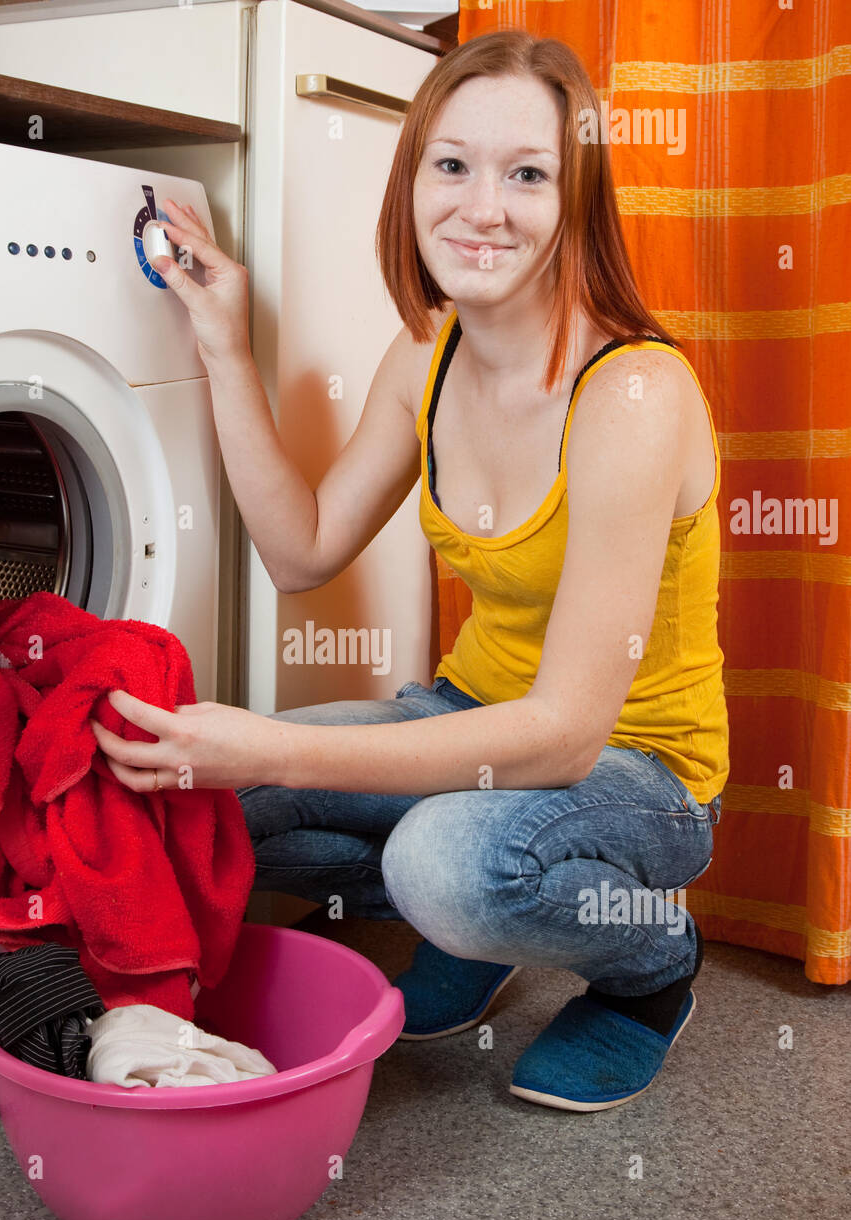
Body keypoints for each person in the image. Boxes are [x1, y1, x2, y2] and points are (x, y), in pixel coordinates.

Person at [91, 28, 728, 1113]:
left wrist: (275, 740)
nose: (483, 206)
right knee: (221, 806)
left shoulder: (634, 393)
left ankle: (652, 968)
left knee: (442, 862)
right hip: (469, 715)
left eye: (527, 174)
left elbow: (571, 730)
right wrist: (224, 343)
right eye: (453, 164)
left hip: (638, 771)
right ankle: (475, 928)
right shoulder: (424, 354)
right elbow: (300, 550)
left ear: (576, 198)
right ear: (414, 180)